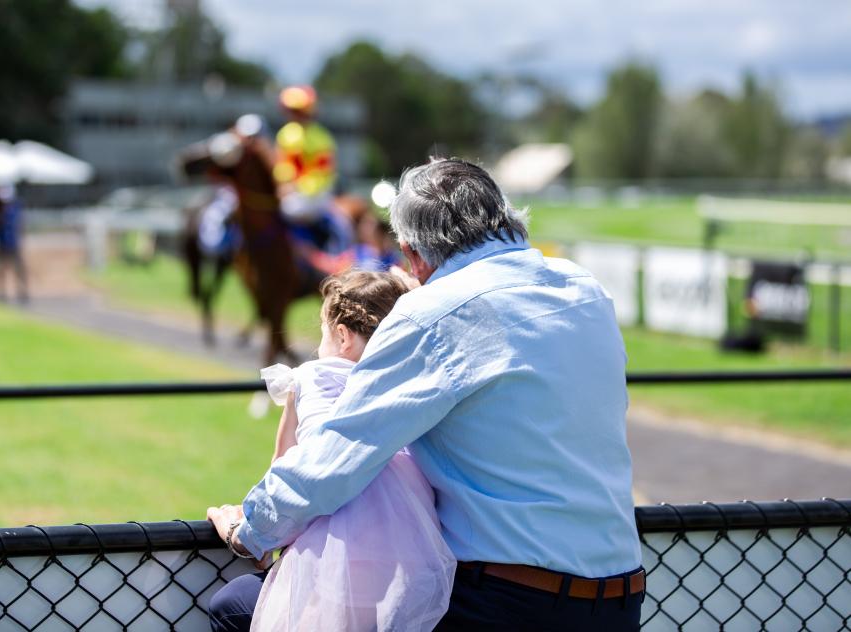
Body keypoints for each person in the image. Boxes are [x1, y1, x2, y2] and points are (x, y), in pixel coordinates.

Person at [209, 158, 644, 631]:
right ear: (504, 217)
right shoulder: (584, 289)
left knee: (237, 606)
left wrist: (250, 530)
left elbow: (336, 456)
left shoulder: (431, 313)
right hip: (621, 596)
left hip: (504, 602)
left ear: (411, 253)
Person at [208, 270, 455, 631]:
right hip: (413, 575)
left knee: (229, 604)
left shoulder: (311, 377)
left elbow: (283, 472)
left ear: (342, 336)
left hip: (334, 580)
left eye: (322, 333)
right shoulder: (409, 390)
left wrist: (244, 530)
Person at [273, 85, 353, 255]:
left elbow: (322, 174)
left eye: (297, 110)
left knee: (290, 210)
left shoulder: (322, 138)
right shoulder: (285, 135)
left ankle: (329, 251)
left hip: (314, 194)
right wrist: (282, 184)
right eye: (291, 110)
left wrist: (295, 187)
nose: (293, 115)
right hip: (289, 192)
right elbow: (282, 167)